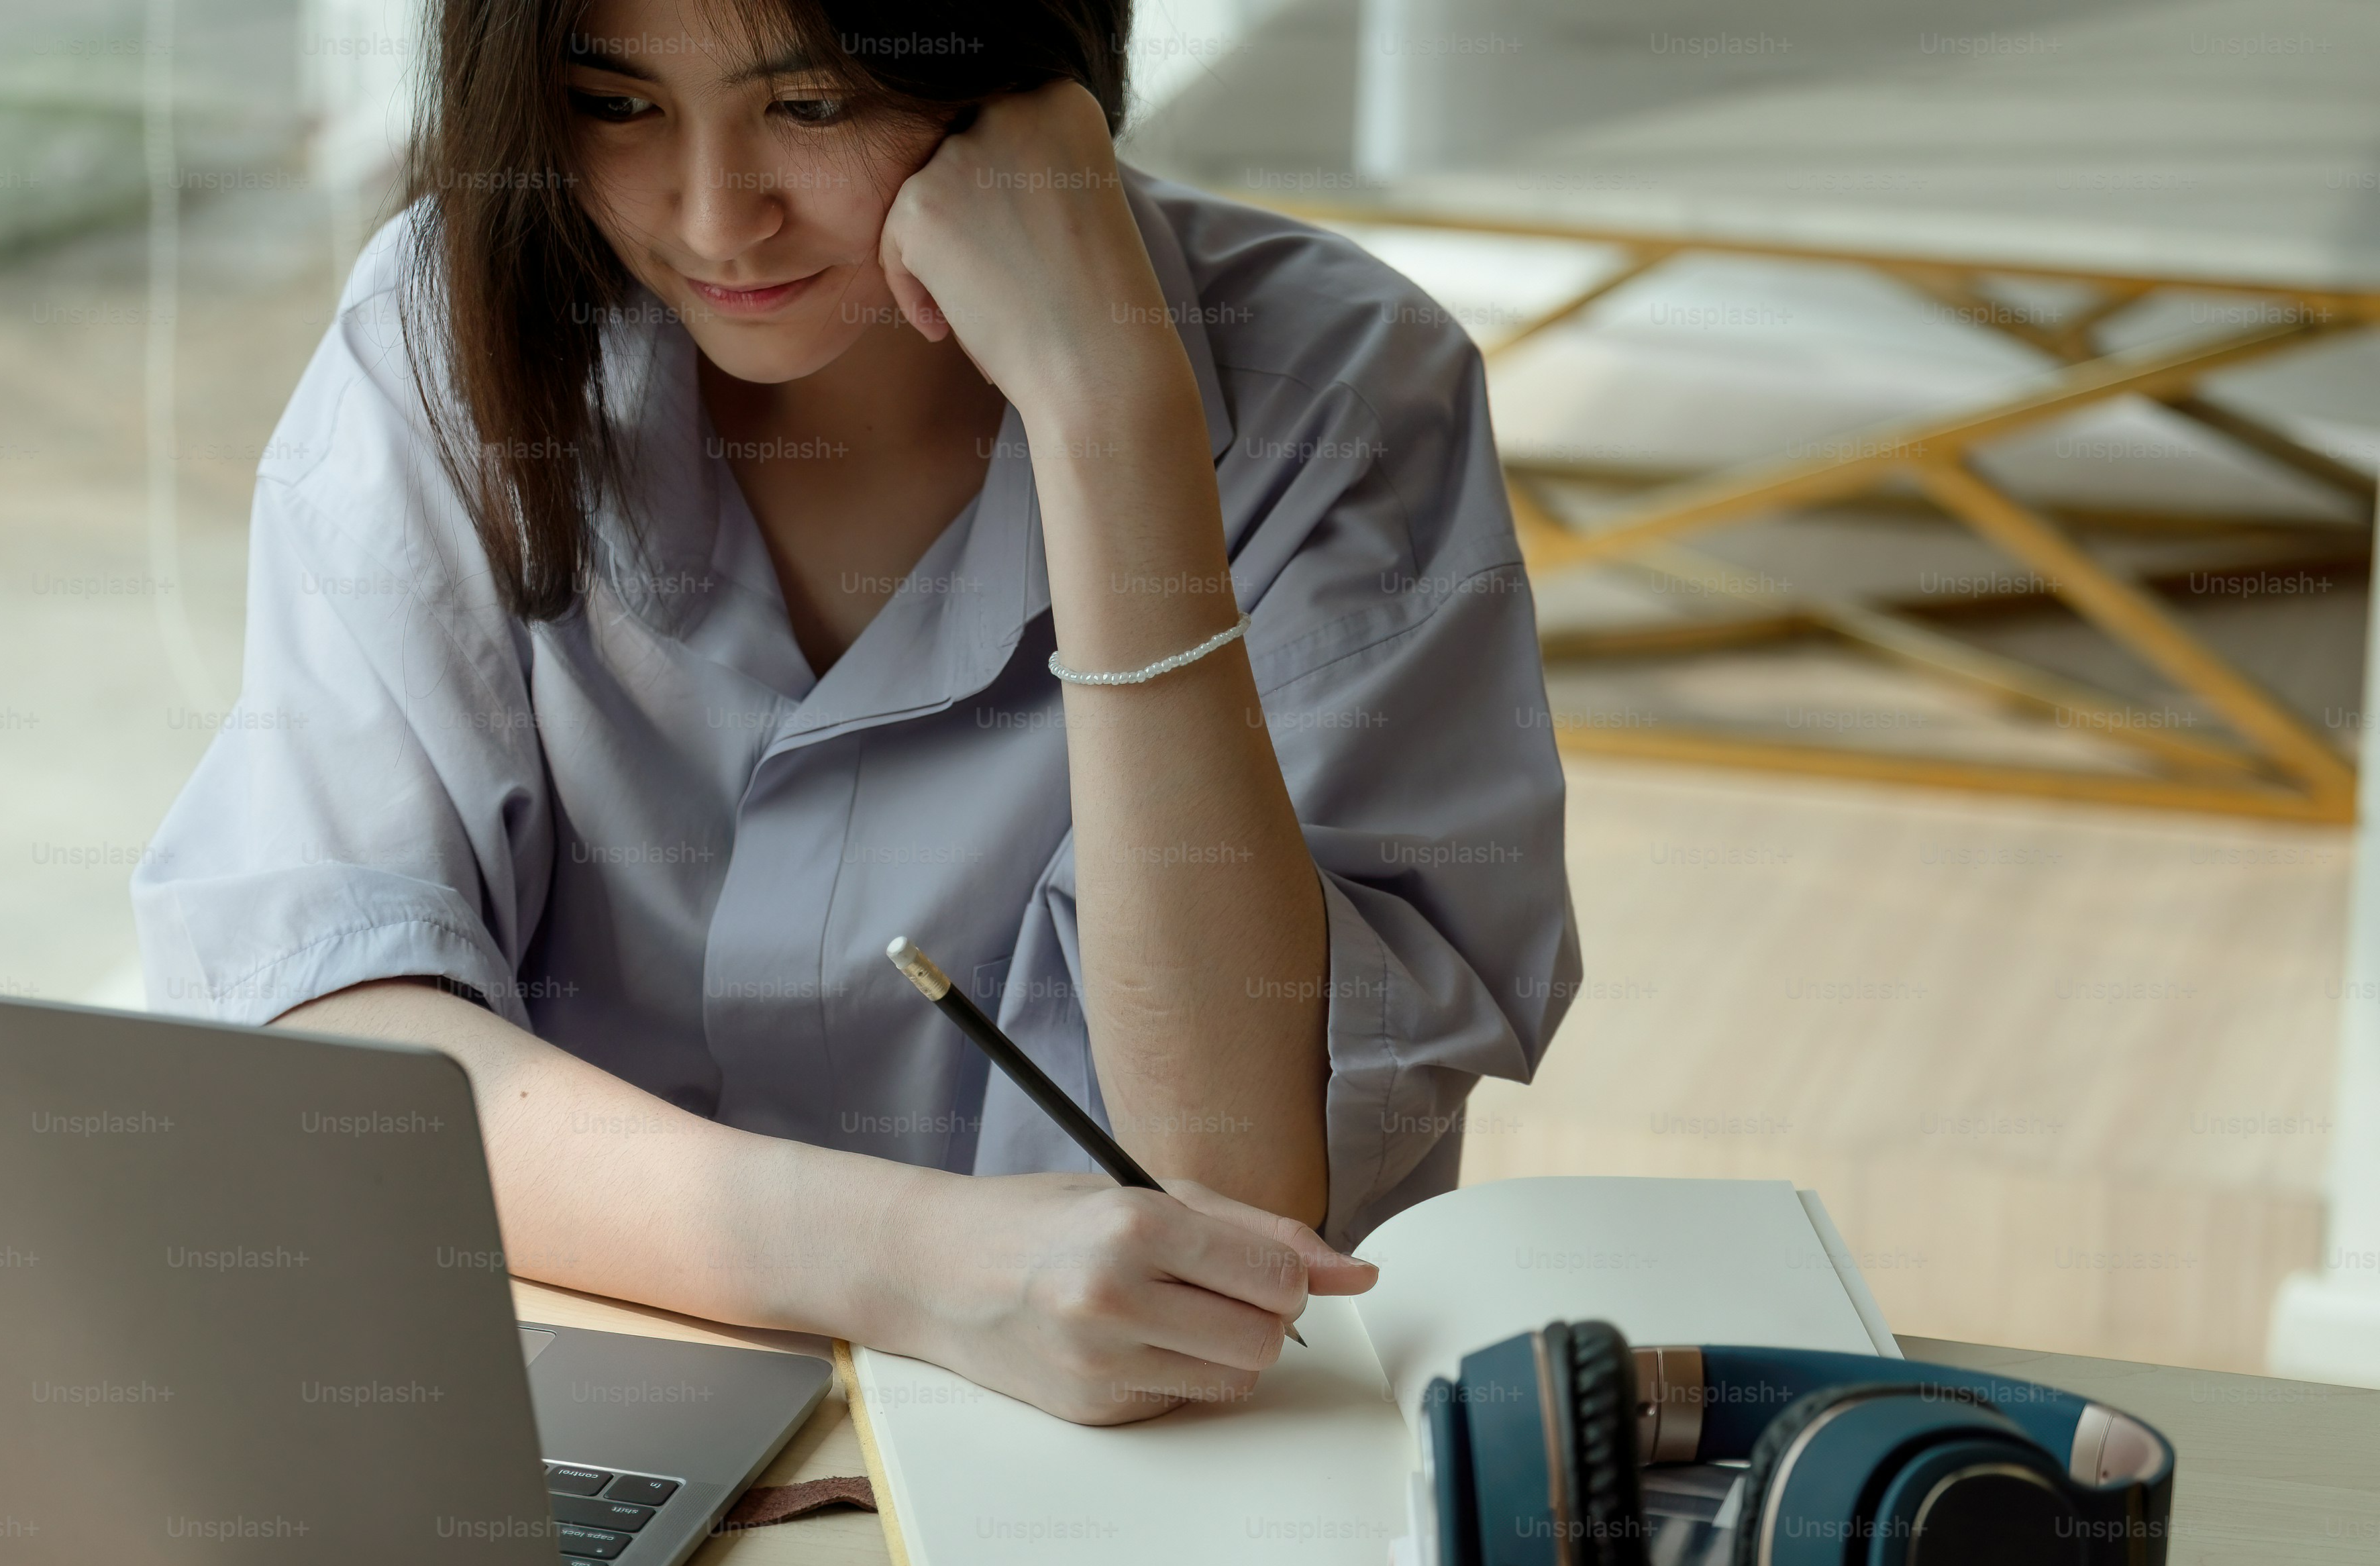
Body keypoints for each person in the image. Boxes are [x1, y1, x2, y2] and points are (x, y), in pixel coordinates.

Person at [136, 0, 1579, 1424]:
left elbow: (1220, 1211)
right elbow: (337, 1050)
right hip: (565, 1410)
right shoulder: (448, 335)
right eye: (618, 103)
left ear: (1038, 85)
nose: (716, 219)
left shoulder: (1340, 391)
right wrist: (909, 1262)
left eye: (812, 106)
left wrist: (1107, 415)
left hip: (1104, 1491)